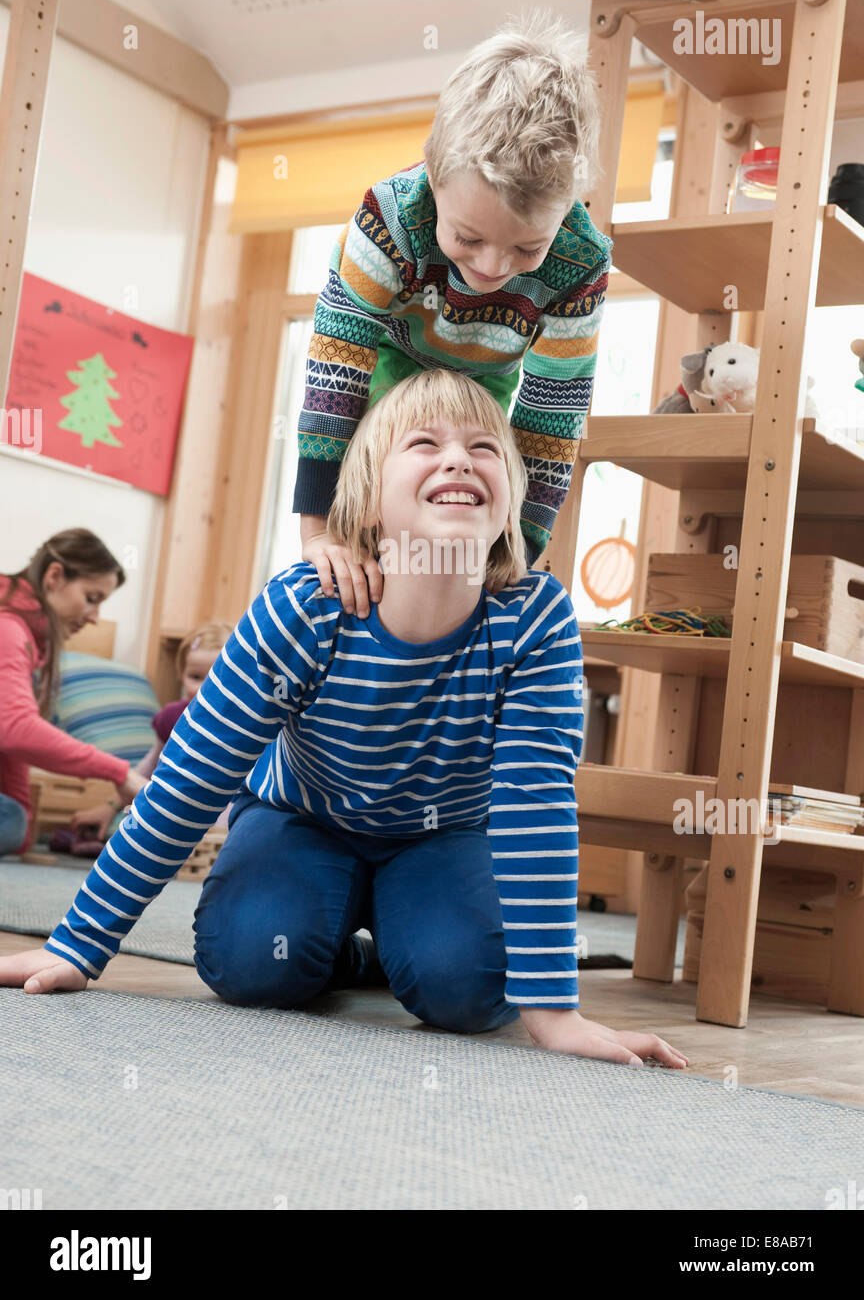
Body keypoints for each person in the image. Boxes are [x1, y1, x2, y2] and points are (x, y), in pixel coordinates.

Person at [0, 371, 687, 1069]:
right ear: (365, 502)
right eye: (424, 443)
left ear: (512, 500)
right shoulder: (303, 608)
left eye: (485, 448)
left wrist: (553, 1012)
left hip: (443, 834)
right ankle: (358, 951)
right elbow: (187, 783)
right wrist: (77, 944)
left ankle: (402, 937)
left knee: (467, 991)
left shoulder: (535, 620)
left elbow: (534, 804)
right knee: (252, 965)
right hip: (303, 819)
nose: (458, 459)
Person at [296, 6, 613, 621]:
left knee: (468, 484)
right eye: (468, 237)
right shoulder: (386, 217)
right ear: (435, 179)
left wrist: (518, 547)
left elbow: (553, 416)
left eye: (527, 248)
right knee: (385, 494)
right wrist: (319, 532)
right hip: (382, 370)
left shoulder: (581, 264)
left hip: (486, 384)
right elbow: (335, 371)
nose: (494, 267)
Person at [0, 530, 146, 858]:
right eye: (91, 598)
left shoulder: (25, 634)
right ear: (54, 576)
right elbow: (15, 729)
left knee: (13, 821)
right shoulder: (9, 629)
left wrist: (21, 829)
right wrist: (119, 771)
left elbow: (9, 747)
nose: (95, 617)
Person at [68, 620, 236, 846]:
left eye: (215, 678)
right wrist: (108, 808)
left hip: (225, 820)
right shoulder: (172, 717)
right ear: (181, 673)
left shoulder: (244, 722)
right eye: (195, 677)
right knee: (128, 829)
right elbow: (147, 769)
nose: (202, 689)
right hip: (174, 813)